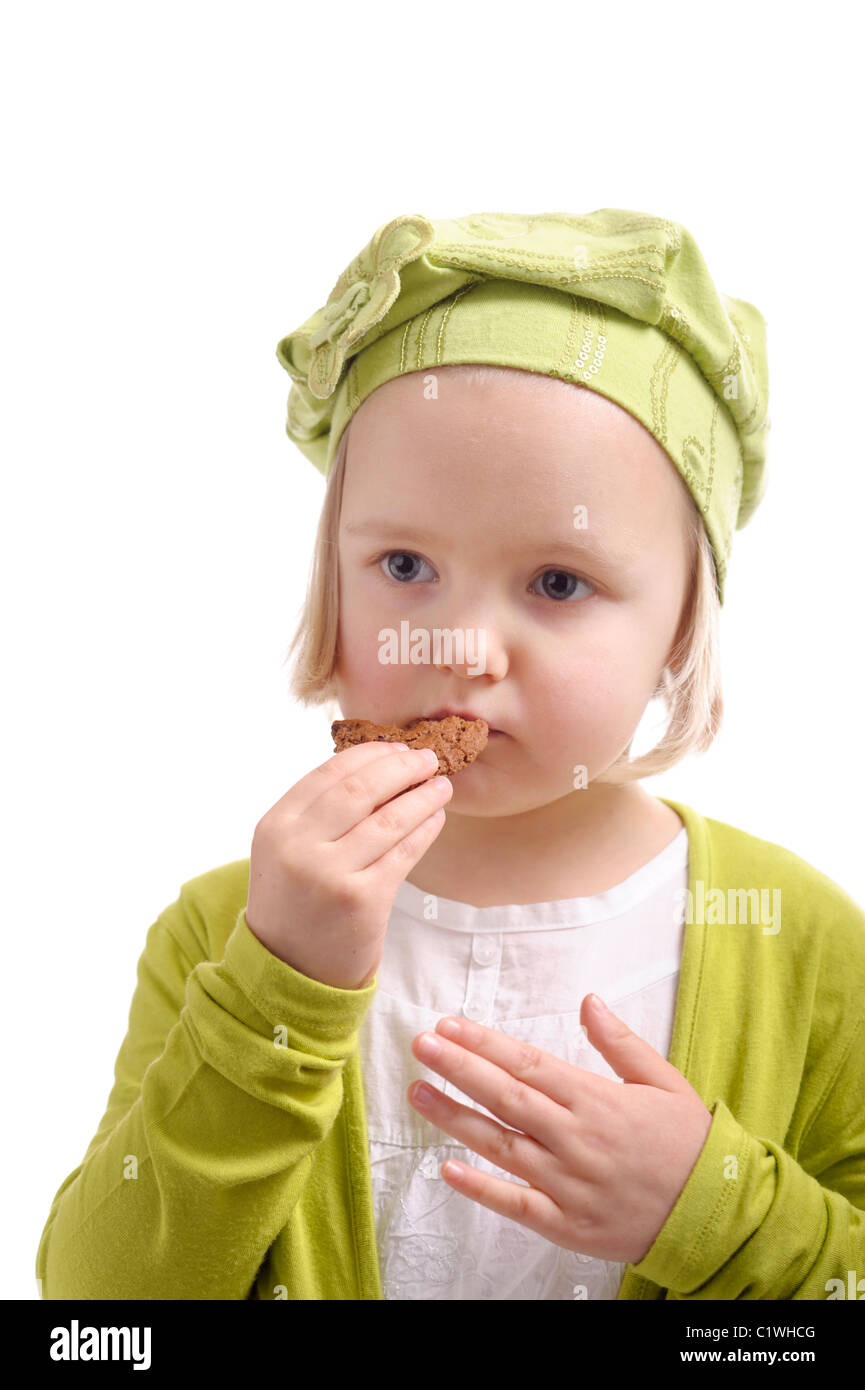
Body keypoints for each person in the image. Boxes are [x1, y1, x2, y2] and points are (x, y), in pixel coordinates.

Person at [36, 210, 865, 1301]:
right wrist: (275, 987)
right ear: (332, 572)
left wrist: (706, 1208)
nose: (460, 648)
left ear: (679, 624)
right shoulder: (228, 928)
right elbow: (101, 1312)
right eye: (405, 563)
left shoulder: (798, 940)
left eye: (558, 583)